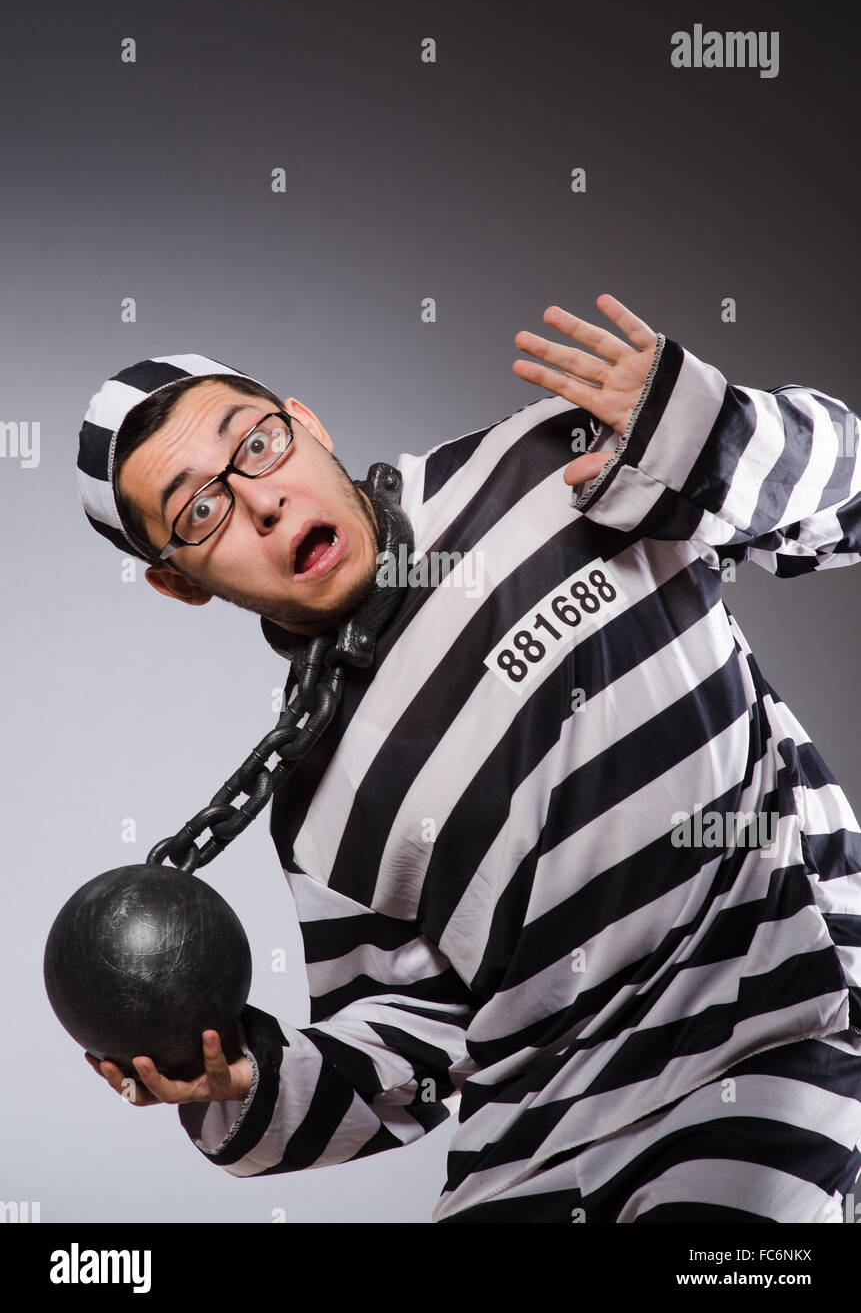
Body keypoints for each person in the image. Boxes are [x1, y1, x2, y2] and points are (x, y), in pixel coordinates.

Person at [76, 295, 861, 1223]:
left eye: (257, 444)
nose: (260, 498)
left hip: (761, 1054)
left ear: (309, 423)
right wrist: (237, 1083)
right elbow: (409, 1049)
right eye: (201, 510)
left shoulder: (548, 466)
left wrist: (707, 429)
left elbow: (844, 506)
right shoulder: (314, 796)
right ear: (176, 581)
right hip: (525, 1157)